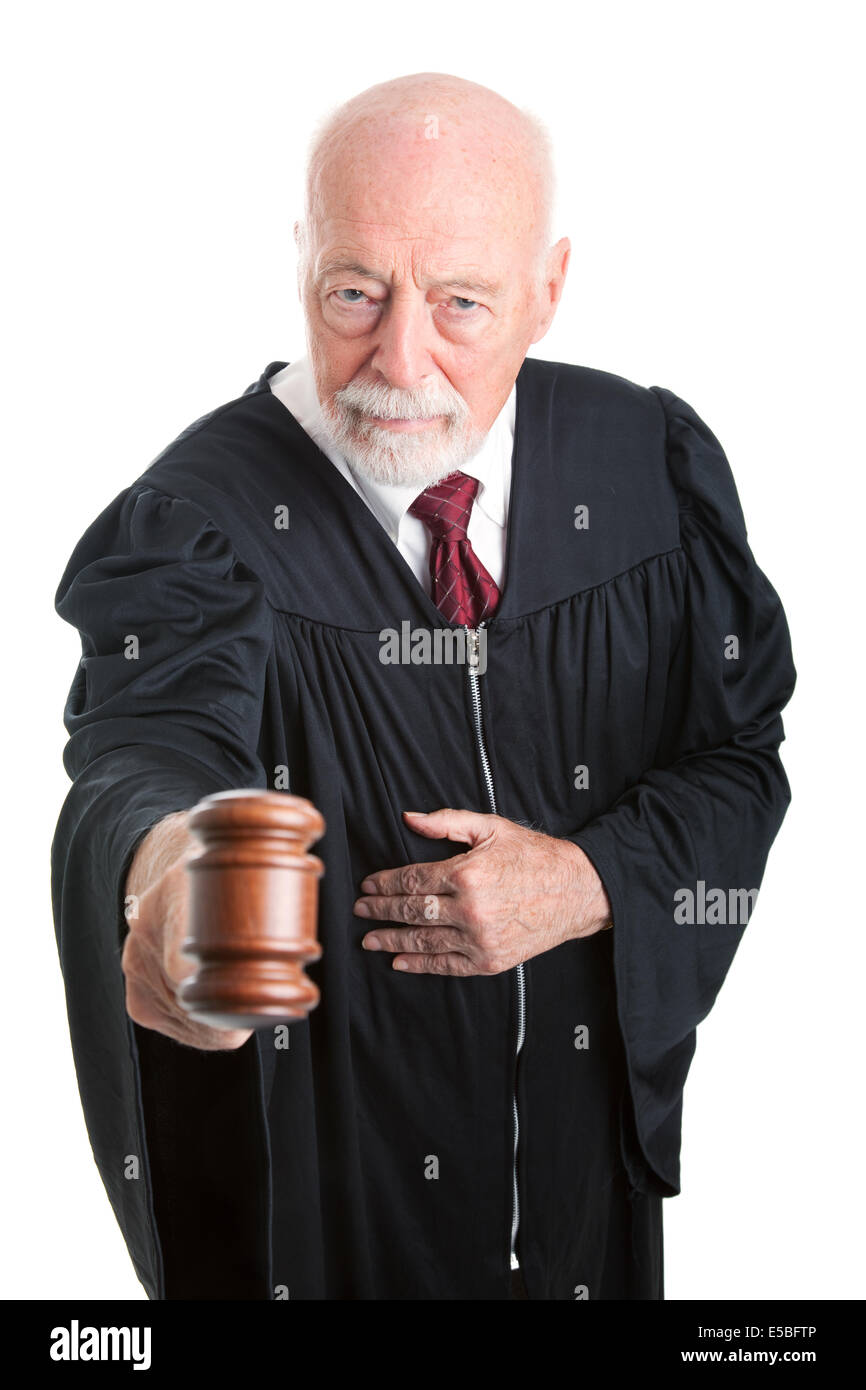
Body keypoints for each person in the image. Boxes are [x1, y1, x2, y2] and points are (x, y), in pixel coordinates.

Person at [51, 71, 796, 1301]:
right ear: (301, 260)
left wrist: (591, 879)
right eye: (353, 291)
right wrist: (167, 875)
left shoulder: (642, 468)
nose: (398, 359)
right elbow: (145, 752)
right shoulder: (204, 519)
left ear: (549, 288)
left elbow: (737, 755)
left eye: (459, 302)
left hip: (578, 1219)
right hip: (336, 1214)